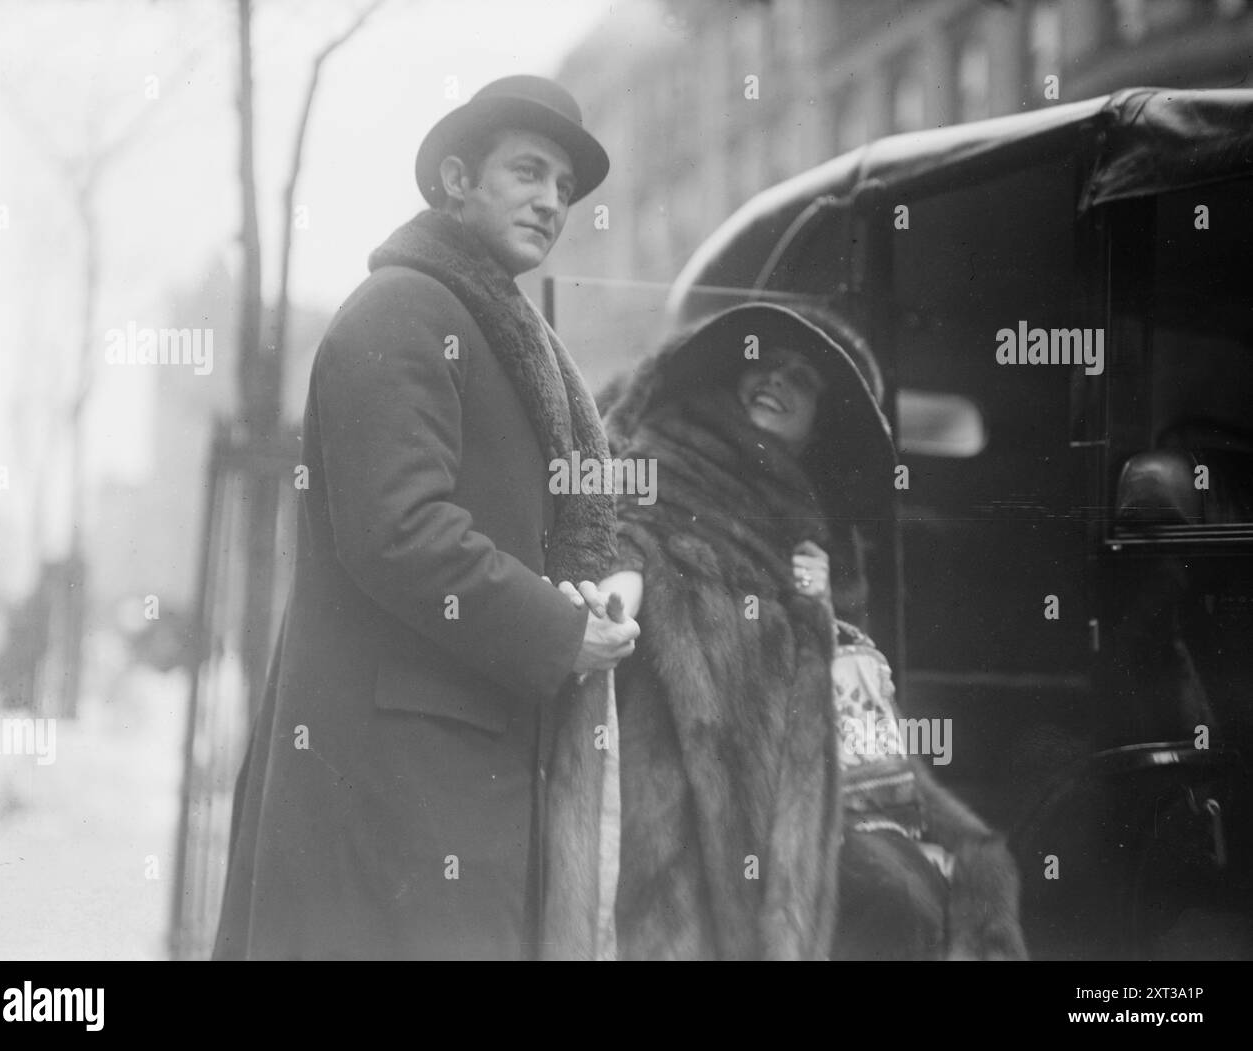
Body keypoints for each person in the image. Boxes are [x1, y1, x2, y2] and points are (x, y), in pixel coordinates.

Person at [213, 75, 639, 961]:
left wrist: (612, 577)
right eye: (529, 171)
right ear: (454, 179)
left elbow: (558, 515)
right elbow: (399, 531)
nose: (552, 201)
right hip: (387, 788)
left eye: (564, 186)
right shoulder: (404, 310)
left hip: (445, 783)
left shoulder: (500, 335)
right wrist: (562, 631)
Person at [597, 302, 1027, 960]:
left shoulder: (821, 522)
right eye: (763, 364)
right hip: (685, 775)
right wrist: (621, 590)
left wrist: (821, 609)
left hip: (799, 782)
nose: (774, 380)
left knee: (946, 882)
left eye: (800, 377)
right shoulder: (671, 456)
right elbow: (629, 536)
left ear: (823, 418)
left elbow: (847, 683)